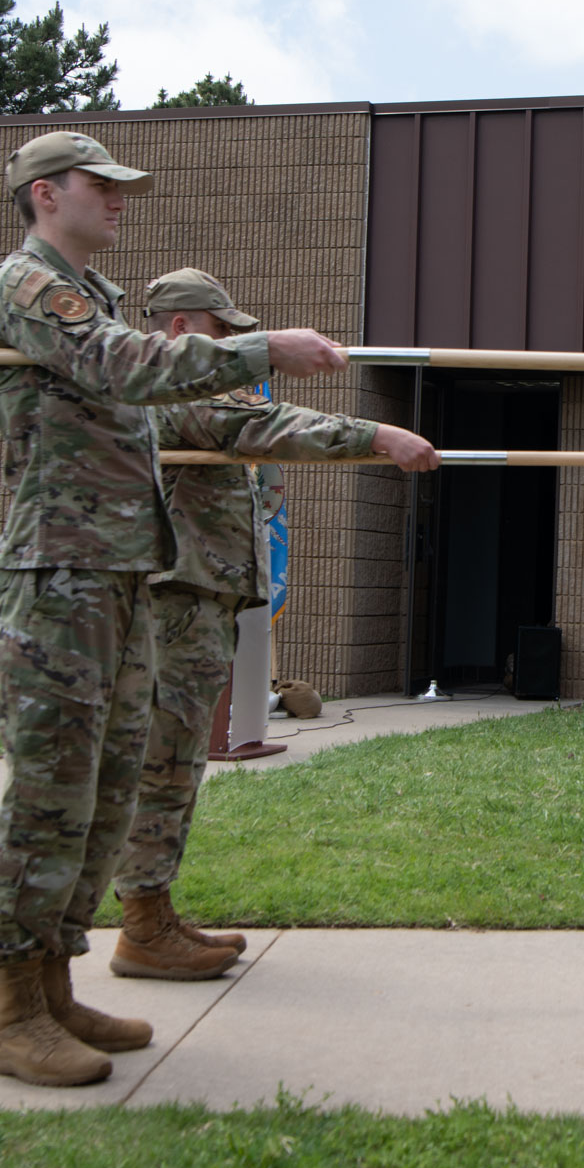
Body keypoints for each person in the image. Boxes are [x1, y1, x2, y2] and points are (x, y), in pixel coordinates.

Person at [0, 130, 353, 1087]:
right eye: (104, 186)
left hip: (123, 572)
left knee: (102, 791)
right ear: (46, 194)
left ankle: (53, 986)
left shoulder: (88, 296)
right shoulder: (24, 286)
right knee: (51, 790)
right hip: (57, 573)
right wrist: (262, 349)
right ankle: (12, 1009)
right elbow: (123, 366)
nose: (120, 200)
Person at [110, 268, 438, 980]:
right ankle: (141, 923)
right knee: (163, 762)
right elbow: (258, 425)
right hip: (176, 598)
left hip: (201, 597)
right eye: (222, 332)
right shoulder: (166, 387)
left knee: (177, 762)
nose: (231, 345)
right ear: (179, 330)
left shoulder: (188, 385)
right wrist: (378, 434)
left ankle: (152, 911)